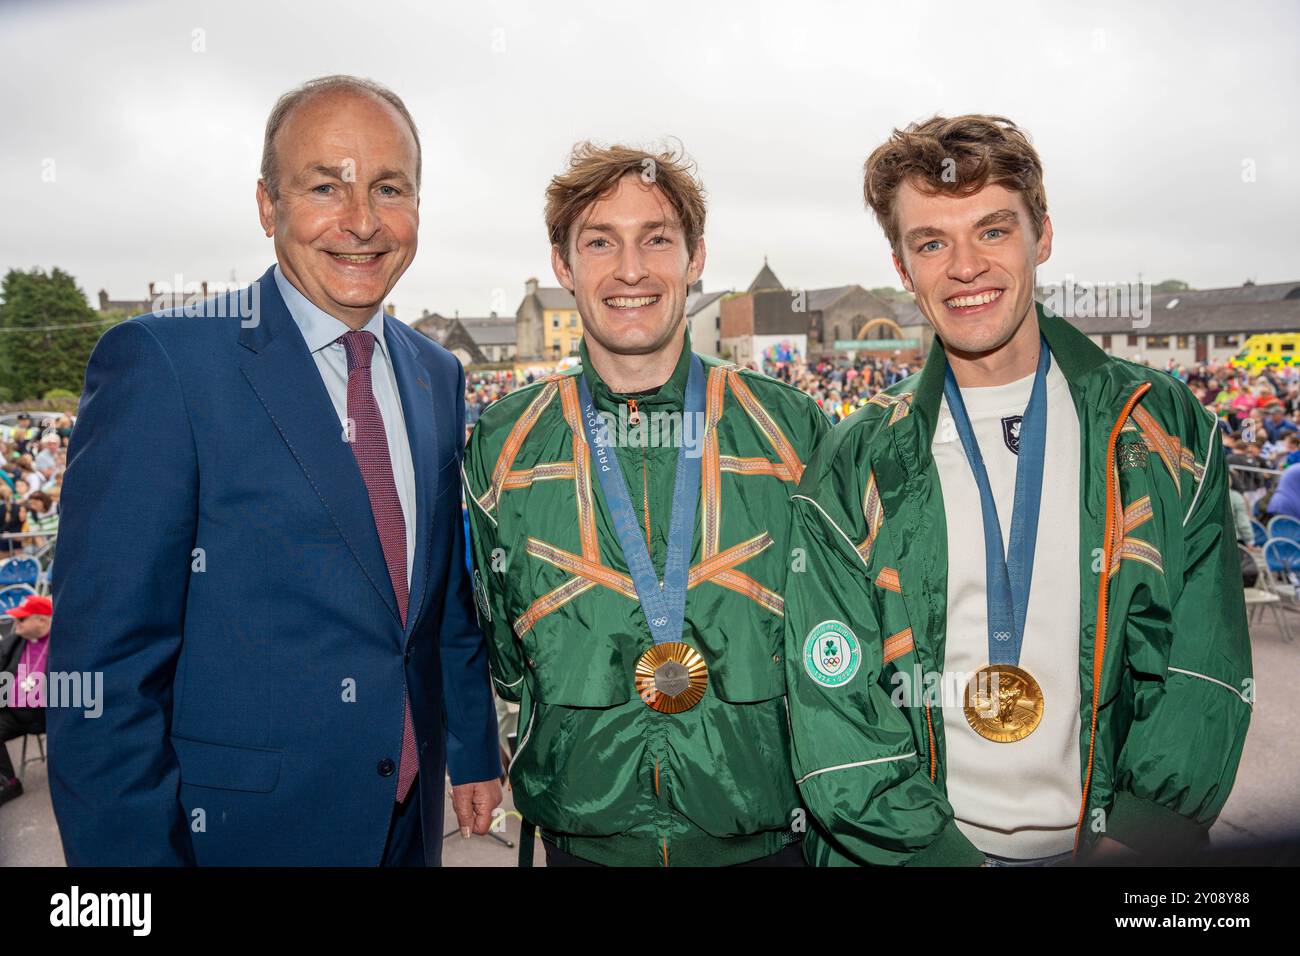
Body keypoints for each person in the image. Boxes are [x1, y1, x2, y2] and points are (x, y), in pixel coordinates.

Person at [49, 74, 501, 866]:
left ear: (419, 207)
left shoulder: (436, 373)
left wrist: (472, 742)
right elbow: (101, 680)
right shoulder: (164, 365)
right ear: (267, 206)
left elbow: (440, 600)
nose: (362, 222)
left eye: (389, 188)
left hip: (409, 826)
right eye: (326, 186)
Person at [784, 114, 1252, 866]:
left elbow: (1205, 660)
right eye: (931, 242)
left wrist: (1143, 832)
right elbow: (834, 706)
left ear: (1043, 235)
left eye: (994, 231)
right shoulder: (854, 457)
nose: (965, 266)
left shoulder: (1162, 429)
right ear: (902, 267)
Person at [463, 142, 830, 866]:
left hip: (766, 837)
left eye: (656, 238)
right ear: (564, 266)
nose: (631, 270)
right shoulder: (505, 440)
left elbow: (841, 641)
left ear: (695, 258)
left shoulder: (791, 429)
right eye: (601, 242)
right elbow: (495, 642)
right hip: (585, 835)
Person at [0, 595, 52, 808]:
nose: (16, 624)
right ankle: (8, 782)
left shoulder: (65, 644)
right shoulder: (13, 643)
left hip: (51, 714)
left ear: (41, 620)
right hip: (15, 712)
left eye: (22, 619)